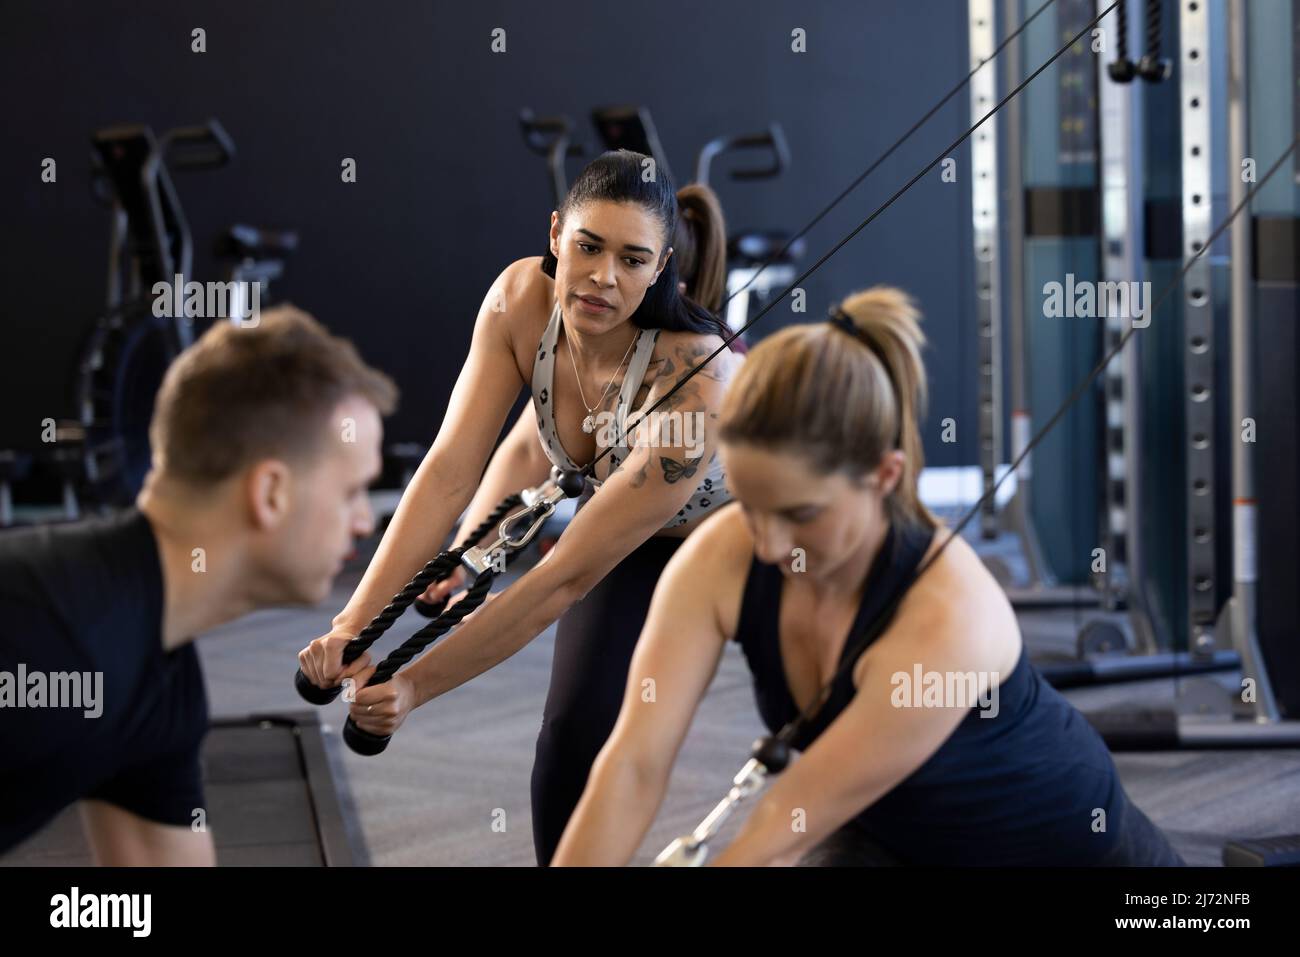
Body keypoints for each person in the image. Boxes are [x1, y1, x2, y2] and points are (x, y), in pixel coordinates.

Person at [552, 287, 1186, 866]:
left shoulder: (950, 614)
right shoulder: (724, 554)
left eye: (799, 513)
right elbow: (633, 765)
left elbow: (781, 822)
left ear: (884, 477)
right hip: (891, 840)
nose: (766, 543)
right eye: (748, 501)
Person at [297, 152, 741, 865]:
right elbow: (453, 468)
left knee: (816, 730)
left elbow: (559, 579)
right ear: (557, 231)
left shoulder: (693, 380)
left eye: (631, 260)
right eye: (589, 246)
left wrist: (413, 685)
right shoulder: (519, 303)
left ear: (659, 269)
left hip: (764, 543)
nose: (602, 276)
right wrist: (353, 625)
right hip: (639, 533)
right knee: (572, 732)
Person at [0, 307, 396, 864]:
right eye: (352, 491)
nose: (364, 520)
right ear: (271, 494)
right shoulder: (43, 630)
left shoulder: (162, 683)